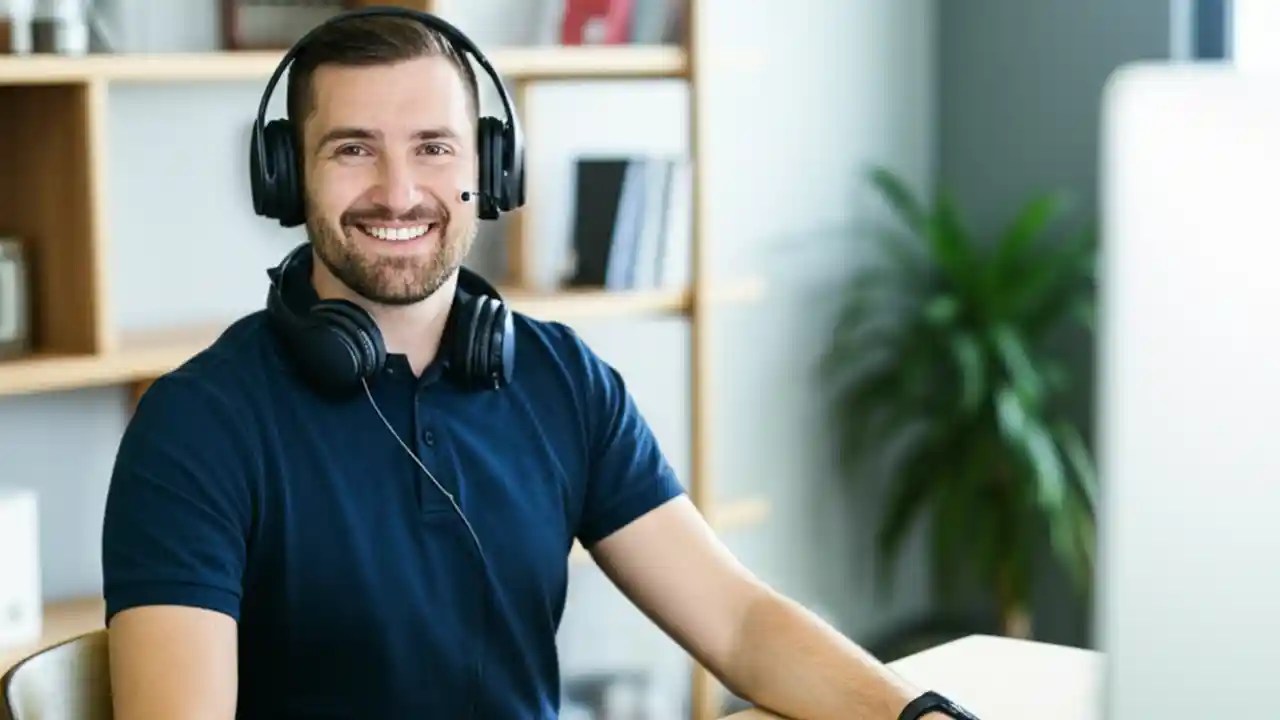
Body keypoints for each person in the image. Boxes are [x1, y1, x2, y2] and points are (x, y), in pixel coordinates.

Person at [100, 9, 975, 720]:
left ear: (490, 169)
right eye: (354, 147)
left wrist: (918, 716)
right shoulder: (198, 425)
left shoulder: (562, 378)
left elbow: (740, 623)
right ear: (288, 177)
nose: (400, 191)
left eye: (434, 147)